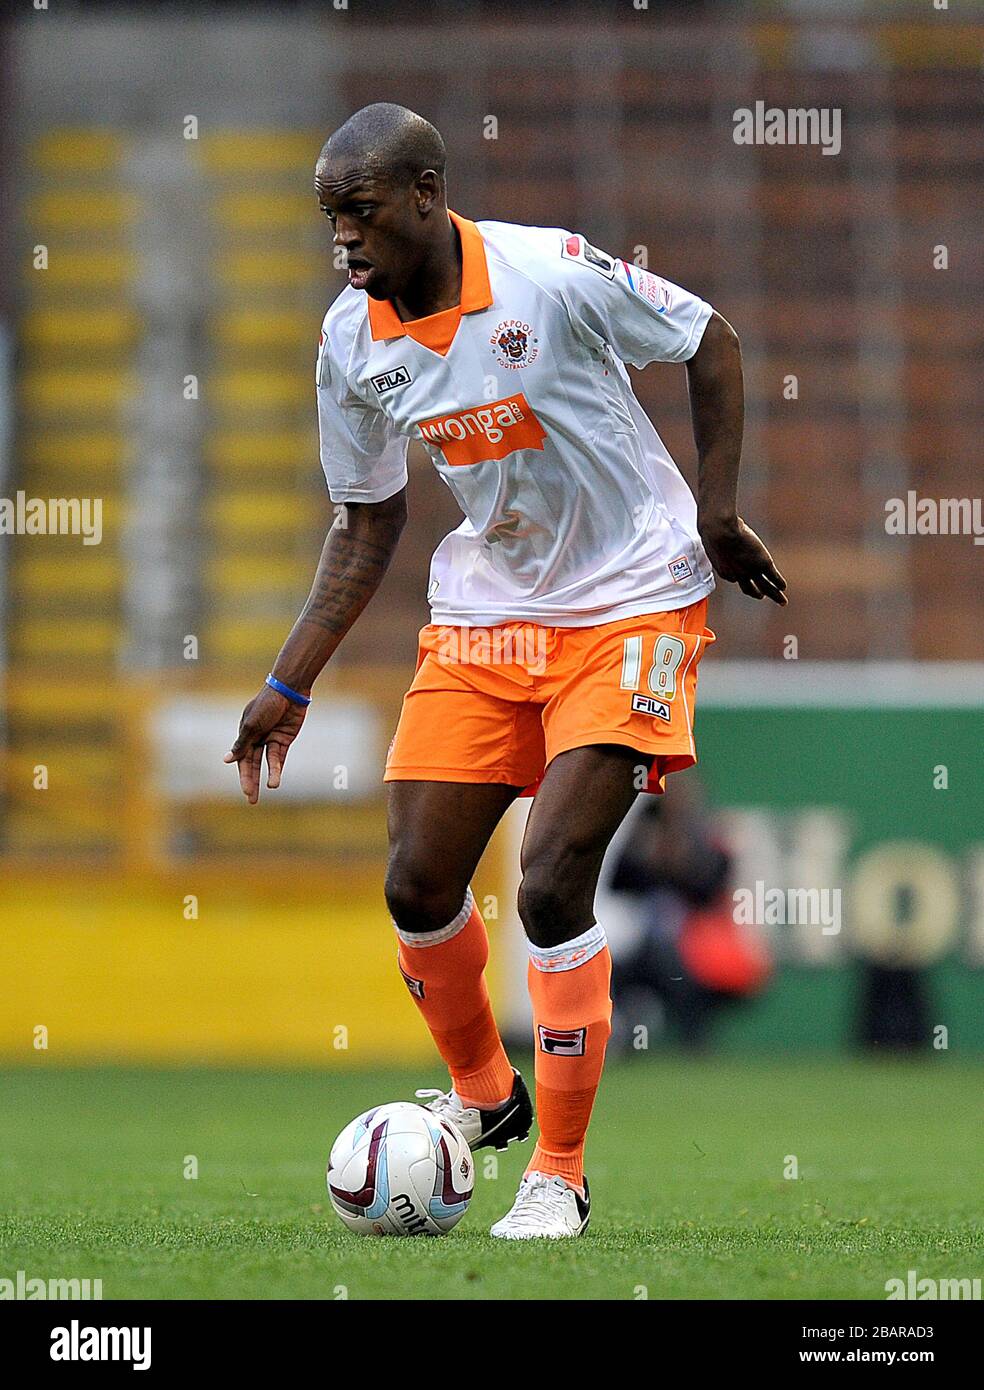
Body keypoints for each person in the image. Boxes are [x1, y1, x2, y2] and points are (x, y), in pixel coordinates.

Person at [224, 103, 787, 1239]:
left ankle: (560, 1177)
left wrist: (718, 512)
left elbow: (709, 336)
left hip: (632, 596)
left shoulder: (550, 271)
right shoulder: (350, 340)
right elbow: (365, 523)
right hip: (489, 609)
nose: (342, 239)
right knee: (417, 885)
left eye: (361, 211)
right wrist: (288, 683)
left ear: (427, 195)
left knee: (547, 883)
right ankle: (487, 1101)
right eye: (329, 219)